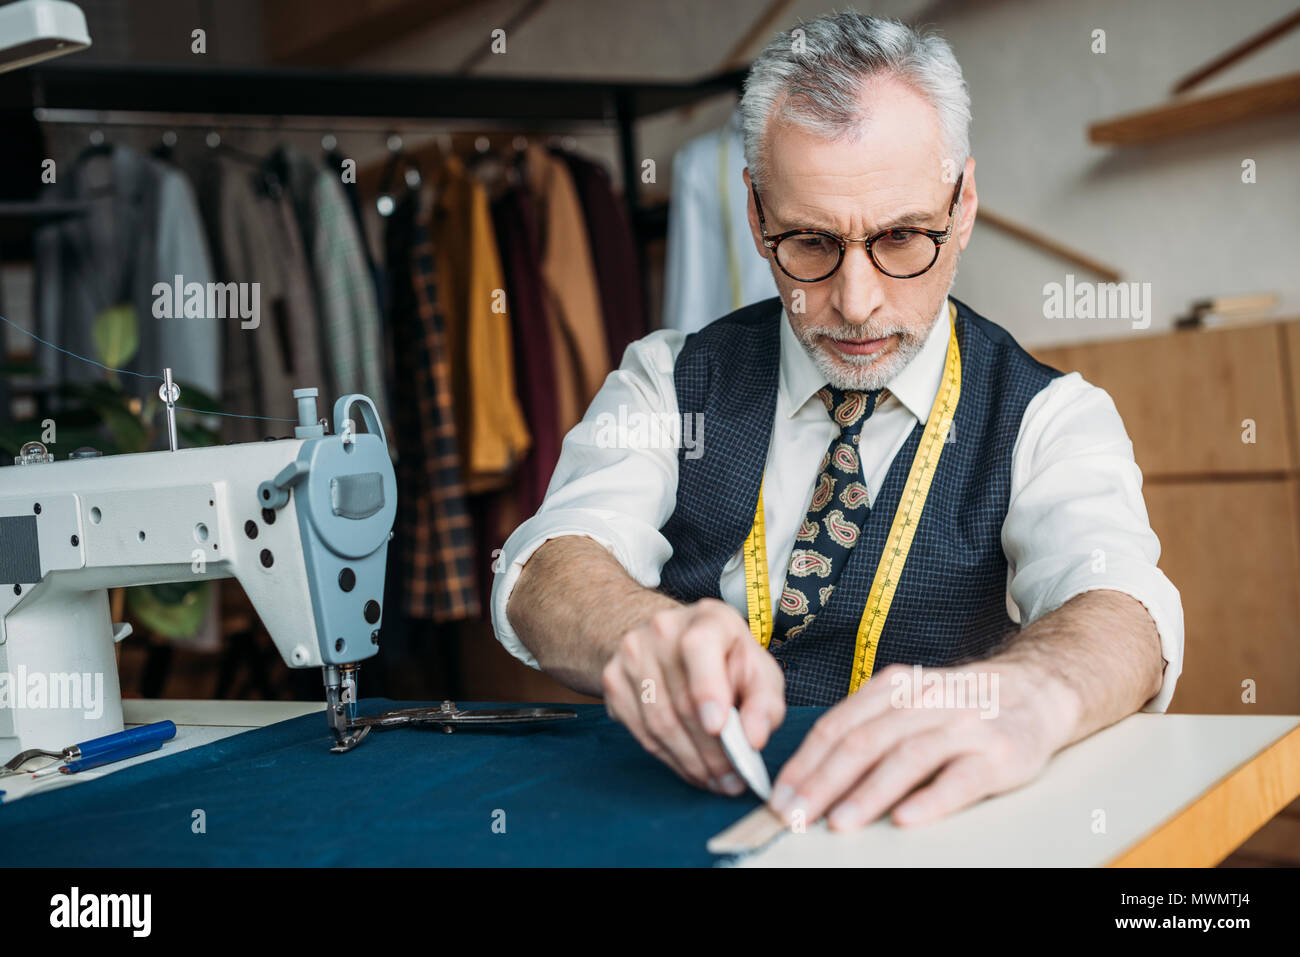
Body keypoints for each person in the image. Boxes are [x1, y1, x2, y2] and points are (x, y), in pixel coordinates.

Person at [490, 12, 1182, 832]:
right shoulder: (667, 381)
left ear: (962, 208)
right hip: (675, 822)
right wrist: (640, 633)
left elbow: (1125, 607)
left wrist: (1031, 692)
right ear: (755, 213)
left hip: (922, 832)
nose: (856, 304)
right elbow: (545, 565)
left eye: (900, 238)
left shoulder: (1050, 418)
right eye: (811, 243)